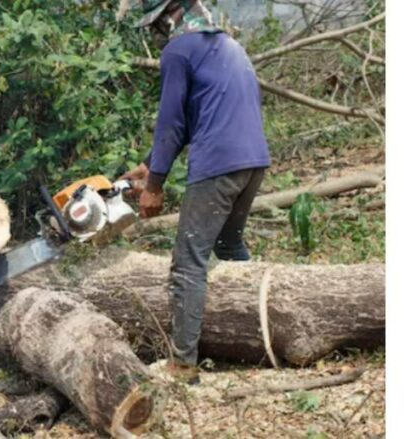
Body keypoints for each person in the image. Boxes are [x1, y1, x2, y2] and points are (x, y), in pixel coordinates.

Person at [121, 0, 271, 384]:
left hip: (218, 164)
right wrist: (150, 164)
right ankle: (258, 338)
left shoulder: (178, 50)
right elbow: (199, 113)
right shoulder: (229, 45)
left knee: (187, 264)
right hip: (253, 160)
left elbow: (171, 122)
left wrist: (154, 187)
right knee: (230, 246)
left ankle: (183, 365)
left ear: (165, 17)